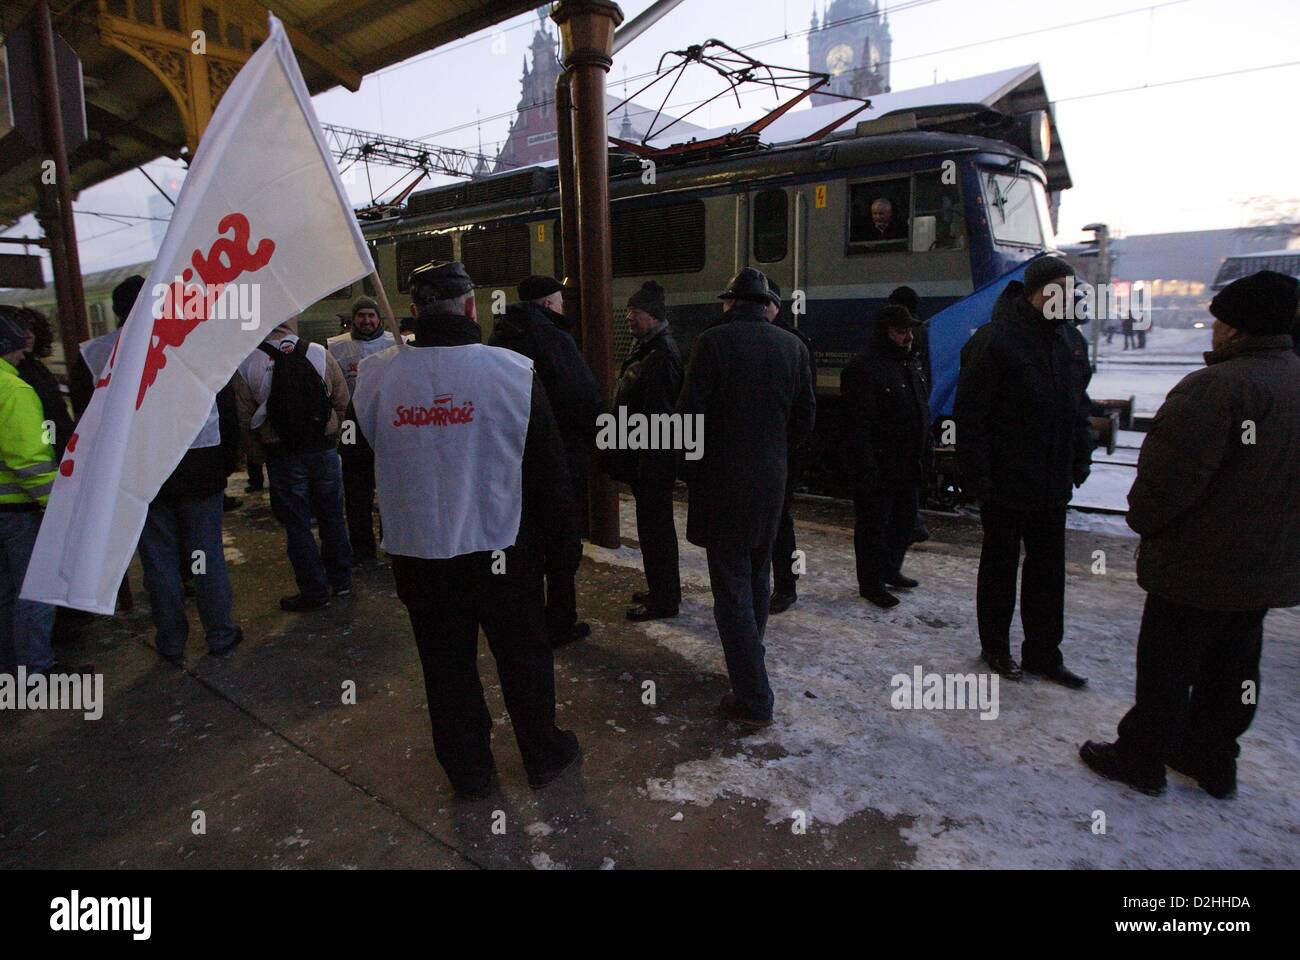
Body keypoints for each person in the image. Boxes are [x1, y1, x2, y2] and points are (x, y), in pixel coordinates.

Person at [352, 260, 582, 799]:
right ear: (473, 308)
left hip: (419, 550)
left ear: (413, 312)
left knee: (445, 665)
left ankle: (470, 771)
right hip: (503, 545)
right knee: (523, 656)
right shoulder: (513, 372)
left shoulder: (377, 376)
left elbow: (368, 454)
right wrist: (563, 547)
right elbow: (547, 470)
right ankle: (542, 753)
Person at [1080, 271, 1300, 798]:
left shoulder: (1218, 388)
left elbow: (1169, 482)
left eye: (1220, 320)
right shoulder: (1293, 378)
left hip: (1198, 564)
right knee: (1235, 669)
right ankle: (1215, 759)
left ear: (1239, 330)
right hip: (1263, 568)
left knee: (1167, 667)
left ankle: (1141, 757)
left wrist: (1145, 520)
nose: (1214, 329)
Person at [678, 268, 816, 728]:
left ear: (731, 303)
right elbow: (805, 420)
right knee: (757, 576)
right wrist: (775, 457)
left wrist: (691, 469)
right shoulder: (793, 347)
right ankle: (748, 664)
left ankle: (753, 697)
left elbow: (689, 418)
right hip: (770, 483)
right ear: (766, 305)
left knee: (731, 587)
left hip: (723, 483)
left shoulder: (712, 343)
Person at [954, 256, 1093, 688]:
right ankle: (995, 647)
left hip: (1052, 479)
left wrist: (1080, 454)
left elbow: (1079, 406)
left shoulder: (1070, 341)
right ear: (1038, 292)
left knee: (1048, 572)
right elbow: (970, 416)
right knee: (1000, 566)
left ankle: (1043, 654)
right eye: (1060, 290)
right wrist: (977, 475)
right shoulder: (996, 341)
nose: (1068, 299)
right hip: (1006, 480)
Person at [490, 275, 601, 646]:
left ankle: (527, 620)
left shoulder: (500, 337)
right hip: (557, 459)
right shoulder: (554, 339)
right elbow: (583, 398)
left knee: (523, 543)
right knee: (560, 542)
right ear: (549, 305)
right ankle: (559, 622)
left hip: (512, 461)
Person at [235, 317, 352, 611]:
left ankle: (314, 590)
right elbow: (342, 398)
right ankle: (342, 581)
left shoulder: (248, 362)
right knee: (333, 515)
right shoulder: (318, 352)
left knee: (297, 524)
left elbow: (244, 419)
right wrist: (331, 435)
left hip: (283, 454)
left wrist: (259, 457)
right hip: (323, 449)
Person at [136, 379, 243, 662]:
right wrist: (227, 463)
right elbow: (227, 412)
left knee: (159, 562)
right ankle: (220, 633)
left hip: (147, 474)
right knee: (206, 556)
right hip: (201, 471)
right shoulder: (200, 350)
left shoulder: (121, 355)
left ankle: (171, 641)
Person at [841, 305, 931, 609]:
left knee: (904, 521)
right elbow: (856, 424)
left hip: (907, 463)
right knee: (873, 526)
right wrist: (865, 465)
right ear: (884, 331)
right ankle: (871, 583)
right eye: (900, 330)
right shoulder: (864, 368)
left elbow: (920, 409)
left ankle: (890, 569)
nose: (907, 336)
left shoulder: (910, 364)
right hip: (879, 464)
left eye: (909, 330)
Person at [609, 281, 684, 622]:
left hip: (652, 461)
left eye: (635, 313)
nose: (629, 319)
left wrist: (647, 462)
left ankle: (665, 600)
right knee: (653, 531)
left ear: (653, 316)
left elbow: (660, 417)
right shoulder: (649, 349)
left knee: (657, 533)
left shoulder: (661, 356)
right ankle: (661, 589)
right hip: (646, 459)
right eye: (629, 313)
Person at [0, 306, 59, 676]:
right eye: (18, 346)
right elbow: (29, 460)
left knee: (6, 594)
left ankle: (11, 667)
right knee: (35, 590)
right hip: (19, 509)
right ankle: (37, 669)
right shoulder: (13, 389)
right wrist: (56, 504)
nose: (24, 352)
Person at [328, 297, 395, 563]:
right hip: (352, 428)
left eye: (371, 316)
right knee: (357, 493)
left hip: (387, 426)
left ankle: (392, 541)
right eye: (361, 316)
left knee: (391, 490)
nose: (366, 321)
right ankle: (362, 549)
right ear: (353, 318)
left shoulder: (396, 342)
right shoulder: (336, 346)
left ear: (379, 318)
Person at [765, 279, 817, 614]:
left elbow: (805, 406)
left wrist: (791, 448)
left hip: (781, 452)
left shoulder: (794, 343)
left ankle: (787, 584)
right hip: (765, 450)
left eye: (766, 303)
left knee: (781, 521)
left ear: (777, 307)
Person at [14, 309, 73, 461]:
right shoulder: (20, 371)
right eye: (19, 329)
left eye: (32, 328)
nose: (29, 335)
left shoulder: (34, 366)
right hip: (45, 452)